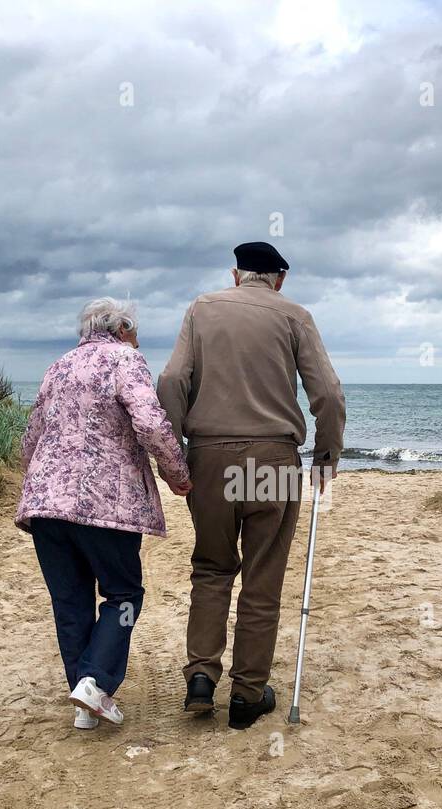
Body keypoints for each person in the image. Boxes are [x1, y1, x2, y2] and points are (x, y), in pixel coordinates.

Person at [157, 242, 345, 729]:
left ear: (236, 275)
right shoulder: (294, 315)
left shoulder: (202, 308)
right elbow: (327, 392)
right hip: (273, 459)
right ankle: (246, 693)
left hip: (211, 458)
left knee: (212, 568)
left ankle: (201, 676)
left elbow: (174, 379)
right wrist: (326, 457)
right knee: (263, 578)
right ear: (279, 279)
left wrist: (175, 449)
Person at [16, 297, 191, 730]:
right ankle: (94, 683)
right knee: (123, 596)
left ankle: (85, 703)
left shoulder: (59, 365)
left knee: (71, 602)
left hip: (47, 506)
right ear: (124, 328)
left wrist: (39, 480)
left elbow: (31, 435)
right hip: (105, 505)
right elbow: (150, 424)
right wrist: (178, 474)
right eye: (136, 329)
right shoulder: (125, 360)